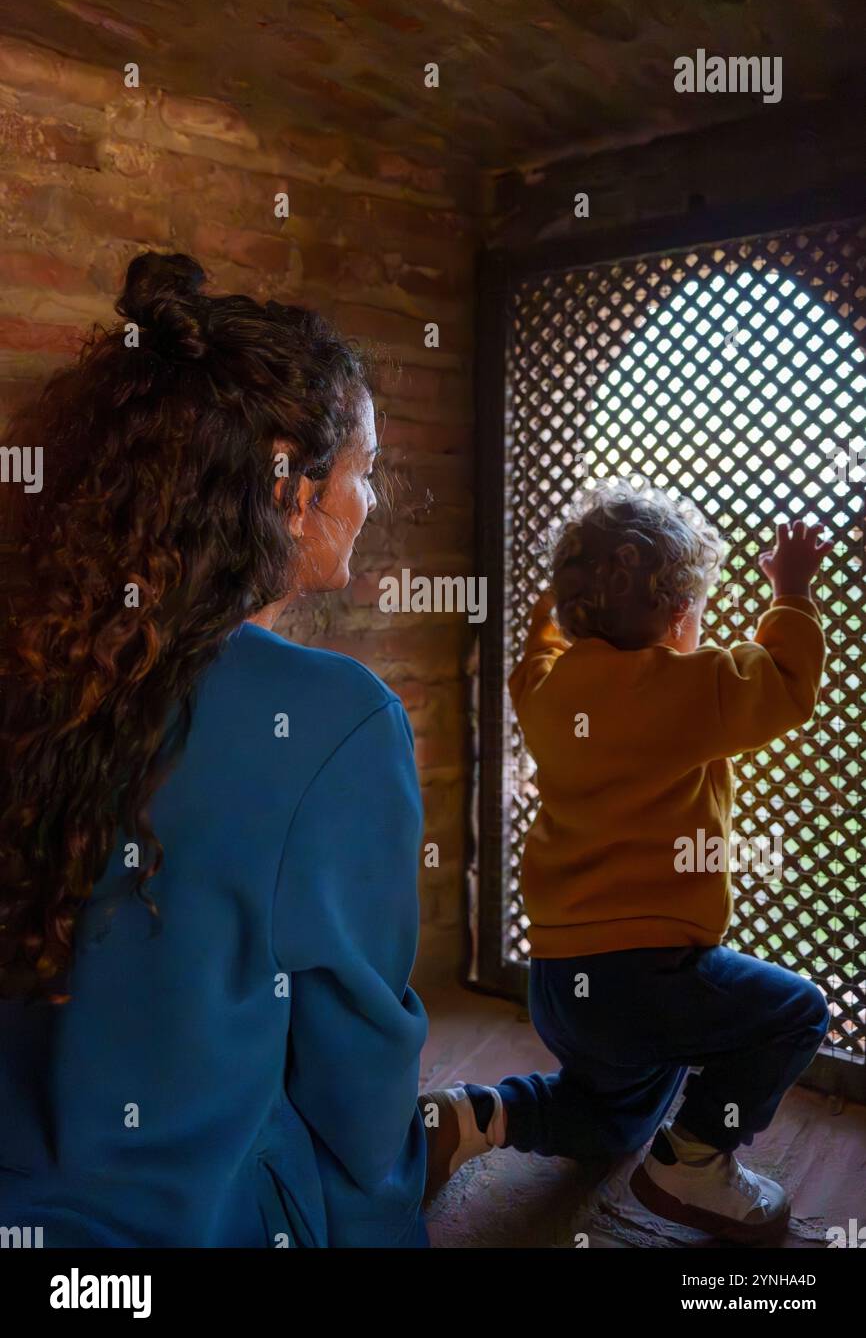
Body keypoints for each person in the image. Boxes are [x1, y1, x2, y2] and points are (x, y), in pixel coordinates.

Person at [0, 251, 428, 1248]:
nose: (369, 501)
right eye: (361, 470)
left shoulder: (37, 671)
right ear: (288, 485)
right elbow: (356, 1071)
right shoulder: (337, 721)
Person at [423, 480, 831, 1244]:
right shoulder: (689, 686)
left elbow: (533, 654)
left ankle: (477, 1115)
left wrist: (557, 605)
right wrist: (792, 595)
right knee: (797, 1011)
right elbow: (784, 686)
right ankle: (696, 1160)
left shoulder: (548, 689)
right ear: (679, 612)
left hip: (562, 982)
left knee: (615, 1120)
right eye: (696, 606)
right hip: (649, 979)